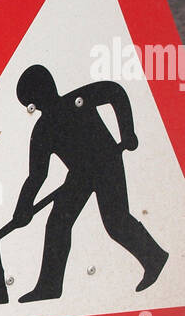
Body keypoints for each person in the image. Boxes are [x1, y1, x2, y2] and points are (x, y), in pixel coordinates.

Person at [9, 64, 168, 303]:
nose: (38, 105)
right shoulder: (43, 130)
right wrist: (22, 209)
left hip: (106, 162)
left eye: (34, 100)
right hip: (79, 175)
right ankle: (50, 286)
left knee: (115, 221)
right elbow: (37, 176)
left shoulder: (77, 100)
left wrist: (127, 132)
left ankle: (154, 257)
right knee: (57, 225)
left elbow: (115, 92)